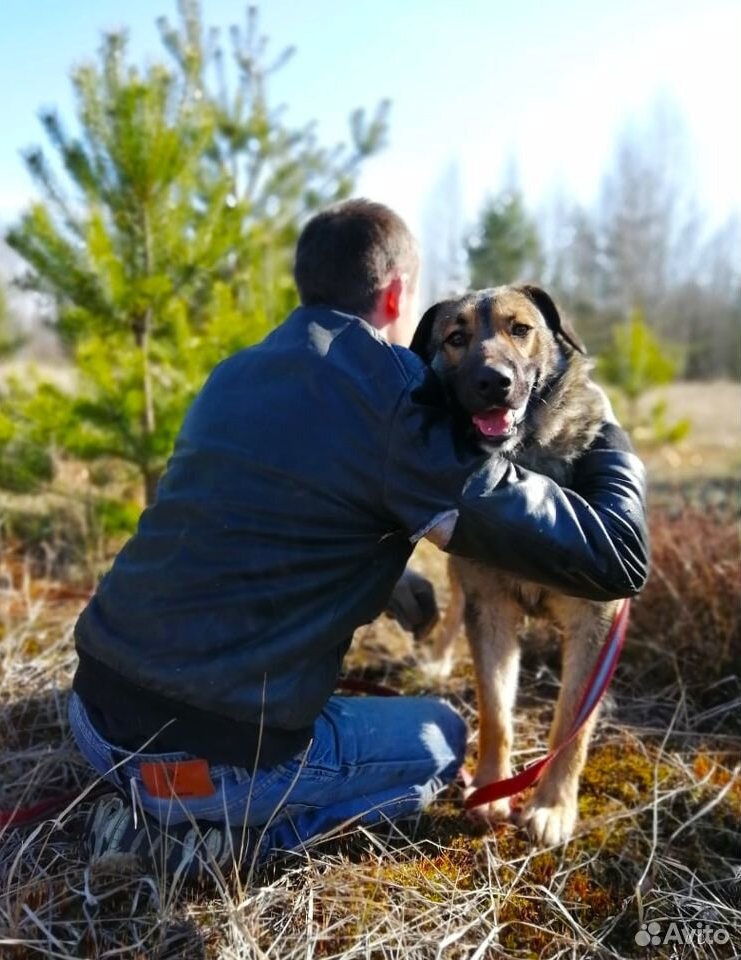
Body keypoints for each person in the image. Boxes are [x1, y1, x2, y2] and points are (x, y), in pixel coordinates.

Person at [69, 199, 648, 883]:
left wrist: (389, 580)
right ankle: (209, 845)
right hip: (212, 763)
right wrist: (610, 438)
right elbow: (617, 558)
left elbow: (257, 508)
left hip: (93, 715)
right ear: (399, 294)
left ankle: (147, 802)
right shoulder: (400, 400)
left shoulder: (234, 372)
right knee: (441, 738)